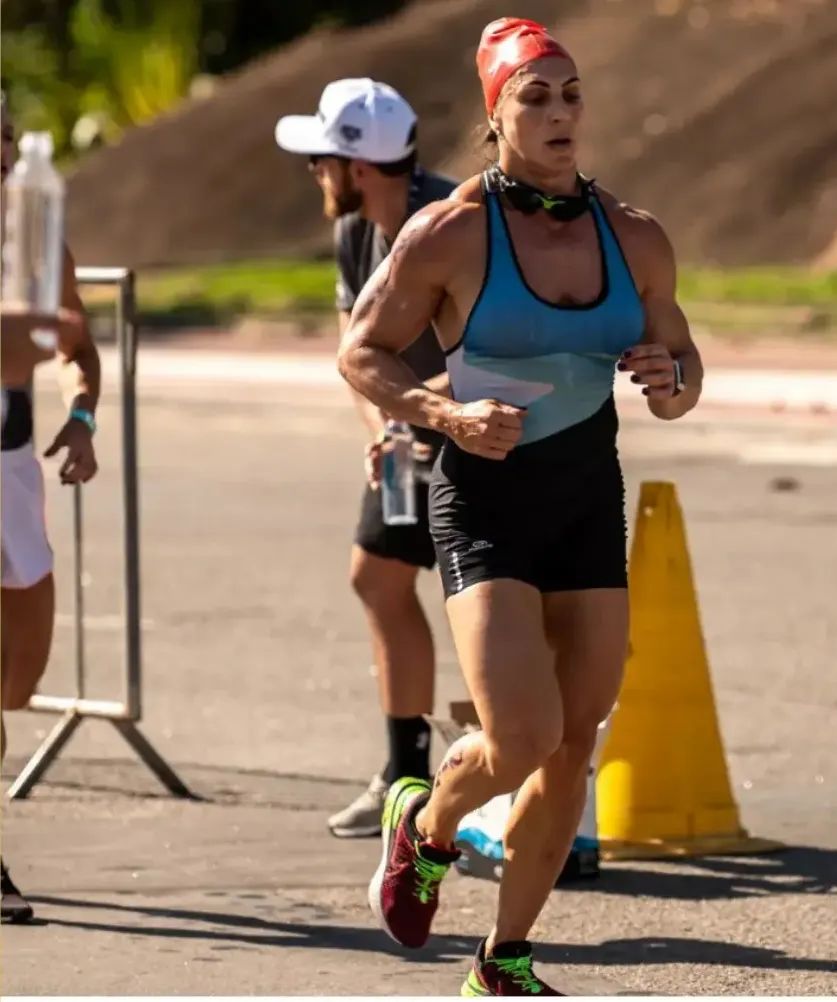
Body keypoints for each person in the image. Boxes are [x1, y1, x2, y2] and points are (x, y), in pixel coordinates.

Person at [337, 17, 703, 996]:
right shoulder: (451, 232)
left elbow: (683, 370)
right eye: (533, 97)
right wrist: (442, 411)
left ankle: (504, 961)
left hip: (586, 499)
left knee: (574, 744)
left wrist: (670, 375)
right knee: (522, 735)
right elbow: (361, 353)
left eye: (570, 94)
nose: (557, 113)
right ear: (495, 117)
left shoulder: (636, 235)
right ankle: (422, 824)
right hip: (486, 504)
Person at [275, 80, 455, 837]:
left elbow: (493, 356)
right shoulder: (356, 231)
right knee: (377, 577)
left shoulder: (452, 224)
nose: (314, 172)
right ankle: (406, 776)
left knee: (489, 609)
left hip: (481, 440)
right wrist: (380, 425)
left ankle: (519, 784)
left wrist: (417, 409)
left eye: (322, 158)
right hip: (408, 438)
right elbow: (355, 348)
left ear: (358, 165)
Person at [1, 92, 102, 924]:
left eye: (5, 138)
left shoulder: (38, 251)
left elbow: (77, 351)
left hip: (13, 473)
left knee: (18, 679)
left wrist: (82, 417)